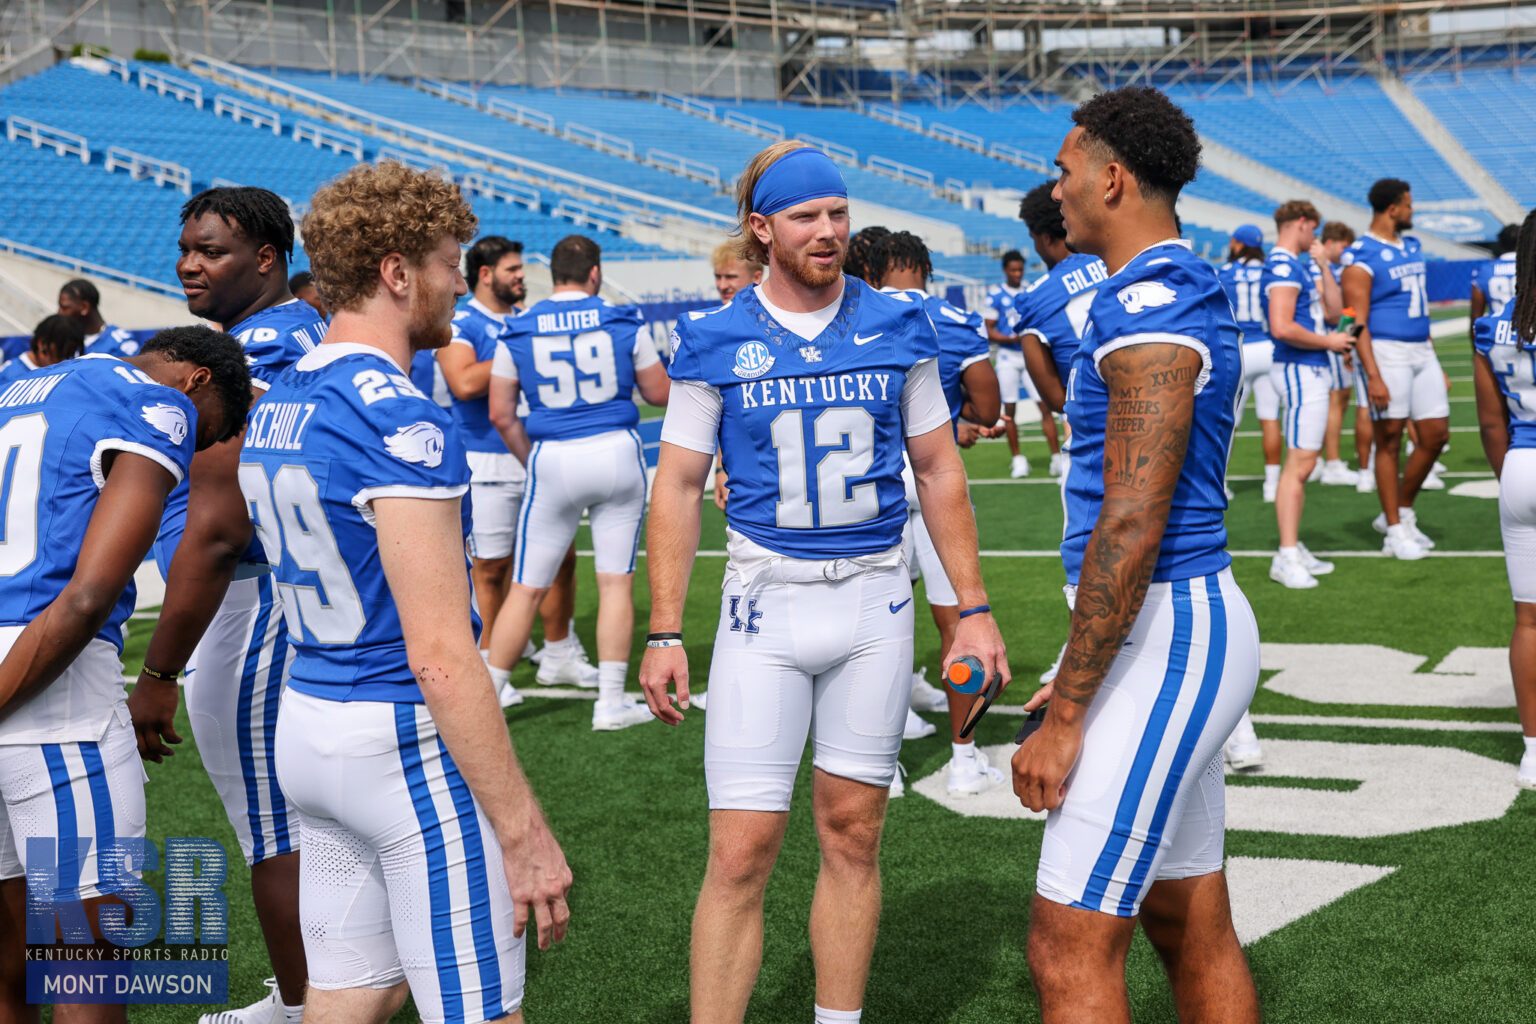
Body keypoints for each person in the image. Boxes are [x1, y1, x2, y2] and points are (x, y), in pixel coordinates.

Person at [638, 140, 1008, 1024]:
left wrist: (975, 610)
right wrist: (662, 629)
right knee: (740, 852)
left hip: (876, 601)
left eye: (838, 213)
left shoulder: (898, 323)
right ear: (761, 229)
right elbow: (680, 483)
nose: (829, 231)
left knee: (854, 834)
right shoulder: (714, 336)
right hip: (765, 602)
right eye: (806, 216)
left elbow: (940, 469)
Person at [245, 161, 571, 1024]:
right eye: (447, 260)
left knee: (347, 996)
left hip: (309, 723)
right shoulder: (398, 415)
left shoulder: (288, 392)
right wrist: (523, 827)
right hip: (397, 740)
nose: (459, 281)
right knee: (481, 1011)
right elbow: (439, 652)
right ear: (397, 272)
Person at [1011, 86, 1260, 1024]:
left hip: (1172, 628)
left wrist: (1071, 713)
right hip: (1157, 634)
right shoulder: (1150, 289)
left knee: (1066, 938)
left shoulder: (1153, 296)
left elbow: (1132, 523)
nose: (1057, 191)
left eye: (1067, 172)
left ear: (1113, 178)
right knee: (1186, 917)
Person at [0, 325, 251, 1024]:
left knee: (9, 969)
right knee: (83, 975)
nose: (197, 449)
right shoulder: (156, 405)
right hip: (53, 693)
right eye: (210, 433)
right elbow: (85, 597)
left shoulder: (15, 386)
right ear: (197, 379)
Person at [127, 186, 327, 1024]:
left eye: (211, 250)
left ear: (266, 259)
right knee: (310, 817)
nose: (189, 262)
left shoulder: (251, 352)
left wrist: (160, 668)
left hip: (251, 605)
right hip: (301, 594)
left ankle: (308, 1005)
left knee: (272, 830)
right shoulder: (308, 330)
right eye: (186, 247)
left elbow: (215, 526)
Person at [486, 234, 669, 732]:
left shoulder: (518, 326)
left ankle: (490, 693)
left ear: (555, 274)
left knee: (525, 588)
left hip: (554, 457)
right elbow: (657, 391)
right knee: (615, 581)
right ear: (595, 274)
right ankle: (610, 702)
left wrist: (535, 461)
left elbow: (501, 413)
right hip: (615, 451)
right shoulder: (621, 319)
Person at [874, 230, 1006, 796]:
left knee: (876, 623)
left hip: (873, 481)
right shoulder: (952, 318)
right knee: (960, 624)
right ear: (925, 268)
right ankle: (964, 757)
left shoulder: (856, 314)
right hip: (934, 478)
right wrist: (957, 426)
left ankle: (881, 764)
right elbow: (988, 406)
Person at [1341, 178, 1445, 559]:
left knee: (1435, 435)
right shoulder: (1360, 255)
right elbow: (1354, 318)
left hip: (1420, 349)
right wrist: (1372, 374)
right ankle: (1395, 530)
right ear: (1393, 209)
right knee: (1390, 440)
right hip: (1387, 351)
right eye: (1409, 205)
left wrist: (1433, 355)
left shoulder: (1412, 245)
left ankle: (1399, 511)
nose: (1412, 211)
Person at [1472, 208, 1536, 789]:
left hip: (1520, 466)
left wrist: (1509, 475)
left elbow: (1491, 426)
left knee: (1529, 620)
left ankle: (1534, 751)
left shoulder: (1492, 327)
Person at [1261, 200, 1353, 589]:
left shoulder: (1298, 265)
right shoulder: (1282, 265)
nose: (1315, 237)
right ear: (1301, 224)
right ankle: (1285, 554)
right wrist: (1328, 343)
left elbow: (1334, 312)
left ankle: (1293, 546)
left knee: (1305, 462)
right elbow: (1281, 327)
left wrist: (1324, 265)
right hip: (1299, 370)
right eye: (1313, 230)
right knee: (1298, 464)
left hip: (1309, 369)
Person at [1216, 225, 1284, 502]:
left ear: (1239, 244)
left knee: (1230, 422)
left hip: (1241, 348)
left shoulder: (1225, 272)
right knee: (1270, 419)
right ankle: (1272, 484)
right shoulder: (1270, 271)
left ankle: (1220, 484)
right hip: (1268, 348)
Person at [987, 249, 1062, 477]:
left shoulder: (1029, 291)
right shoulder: (996, 295)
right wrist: (1010, 338)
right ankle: (1018, 459)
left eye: (1020, 269)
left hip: (1029, 355)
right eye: (1013, 270)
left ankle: (1056, 458)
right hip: (1008, 357)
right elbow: (989, 329)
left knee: (1045, 406)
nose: (1018, 273)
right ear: (1005, 270)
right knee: (1010, 409)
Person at [1318, 221, 1364, 487]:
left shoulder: (1331, 267)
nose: (1345, 251)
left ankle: (1325, 460)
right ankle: (1332, 462)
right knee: (1337, 400)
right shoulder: (1321, 267)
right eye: (1343, 245)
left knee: (1337, 400)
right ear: (1331, 242)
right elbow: (1330, 308)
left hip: (1334, 336)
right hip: (1331, 337)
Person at [57, 278, 138, 357]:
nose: (59, 313)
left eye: (64, 308)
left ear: (85, 307)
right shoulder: (66, 341)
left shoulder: (120, 342)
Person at [0, 313, 85, 387]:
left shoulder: (67, 376)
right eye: (60, 353)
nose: (64, 360)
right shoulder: (8, 376)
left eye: (69, 355)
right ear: (42, 343)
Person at [1471, 223, 1520, 330]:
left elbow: (1476, 316)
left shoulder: (1485, 270)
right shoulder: (1529, 267)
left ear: (1501, 244)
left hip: (1497, 334)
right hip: (1527, 334)